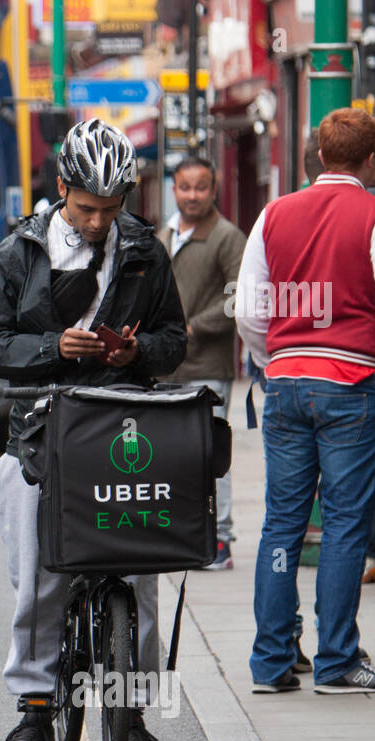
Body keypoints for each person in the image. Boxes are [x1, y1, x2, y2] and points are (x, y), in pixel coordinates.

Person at [0, 119, 187, 741]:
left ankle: (135, 712)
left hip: (124, 423)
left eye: (111, 209)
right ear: (63, 187)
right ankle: (35, 711)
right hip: (41, 425)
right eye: (87, 208)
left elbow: (174, 341)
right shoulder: (19, 253)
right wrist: (52, 347)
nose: (99, 223)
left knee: (139, 572)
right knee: (38, 574)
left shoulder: (146, 251)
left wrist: (135, 350)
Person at [236, 108, 375, 694]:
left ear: (318, 156)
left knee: (280, 526)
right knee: (343, 525)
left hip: (286, 383)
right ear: (370, 162)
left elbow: (247, 311)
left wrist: (272, 361)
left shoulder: (273, 214)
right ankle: (337, 660)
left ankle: (270, 663)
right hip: (350, 383)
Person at [158, 157, 246, 570]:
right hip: (166, 368)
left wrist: (193, 328)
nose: (192, 195)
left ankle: (220, 541)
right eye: (185, 187)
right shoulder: (165, 234)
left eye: (201, 187)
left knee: (211, 456)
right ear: (174, 189)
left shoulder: (227, 237)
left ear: (214, 190)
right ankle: (186, 537)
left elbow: (239, 296)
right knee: (176, 459)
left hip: (208, 367)